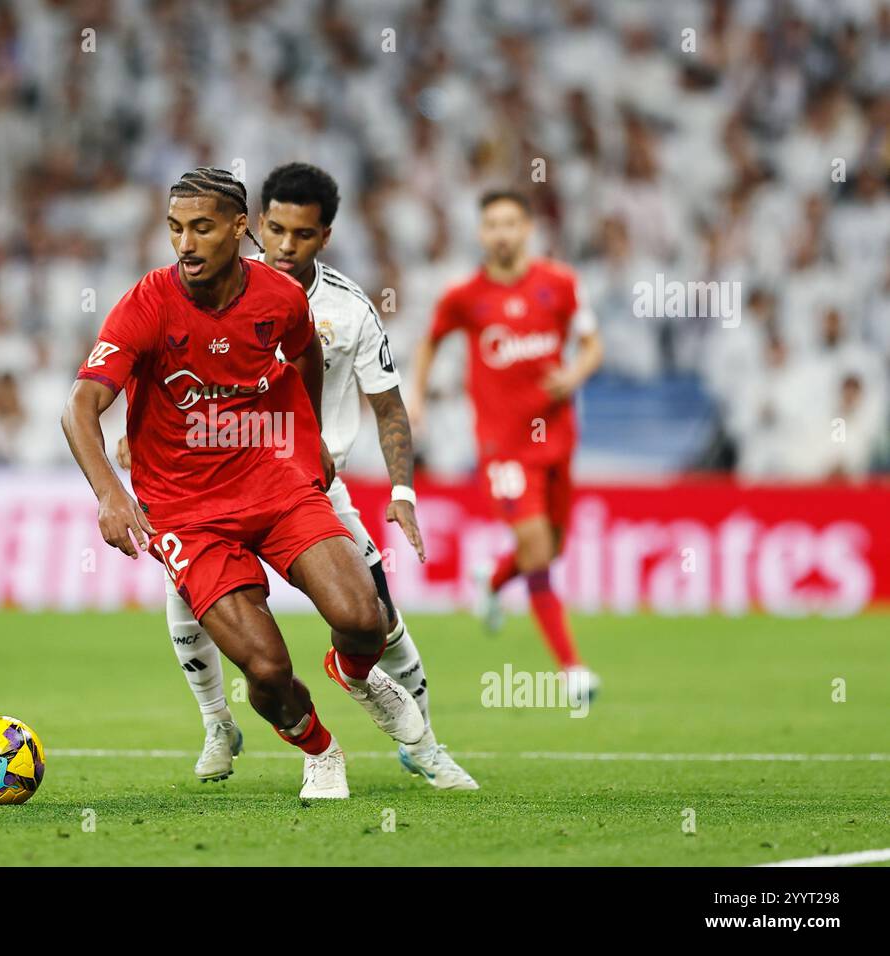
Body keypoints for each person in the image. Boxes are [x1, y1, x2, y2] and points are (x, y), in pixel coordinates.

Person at [62, 167, 448, 799]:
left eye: (202, 228)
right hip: (188, 512)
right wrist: (111, 493)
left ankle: (354, 674)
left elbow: (305, 357)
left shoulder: (280, 298)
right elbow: (79, 407)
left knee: (364, 618)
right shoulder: (147, 303)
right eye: (175, 228)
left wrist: (312, 438)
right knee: (267, 670)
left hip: (275, 484)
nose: (185, 244)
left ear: (240, 229)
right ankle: (320, 749)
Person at [410, 189, 603, 701]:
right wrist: (417, 400)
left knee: (552, 546)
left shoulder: (560, 284)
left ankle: (492, 581)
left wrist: (575, 374)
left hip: (558, 440)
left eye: (510, 223)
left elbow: (592, 344)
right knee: (538, 547)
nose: (501, 233)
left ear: (527, 229)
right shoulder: (464, 295)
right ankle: (571, 668)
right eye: (491, 224)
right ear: (481, 234)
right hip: (504, 447)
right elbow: (430, 341)